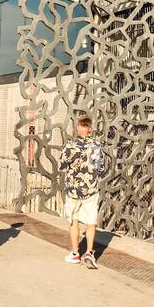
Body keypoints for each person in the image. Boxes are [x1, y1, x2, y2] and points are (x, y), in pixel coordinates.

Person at [60, 114, 102, 269]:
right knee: (91, 222)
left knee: (73, 221)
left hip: (73, 189)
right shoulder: (96, 145)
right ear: (90, 129)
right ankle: (90, 252)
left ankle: (75, 253)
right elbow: (100, 167)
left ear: (78, 128)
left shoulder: (70, 145)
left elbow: (62, 166)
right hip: (91, 189)